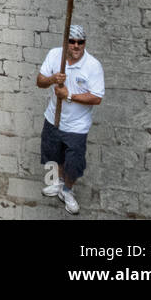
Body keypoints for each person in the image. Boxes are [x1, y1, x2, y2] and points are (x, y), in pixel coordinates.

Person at [37, 24, 104, 215]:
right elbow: (39, 81)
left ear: (84, 44)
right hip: (53, 119)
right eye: (72, 42)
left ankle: (67, 190)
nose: (76, 46)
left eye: (80, 42)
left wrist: (68, 96)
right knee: (54, 156)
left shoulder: (93, 66)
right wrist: (52, 79)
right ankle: (57, 183)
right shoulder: (54, 55)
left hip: (77, 126)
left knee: (73, 163)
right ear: (65, 42)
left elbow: (96, 97)